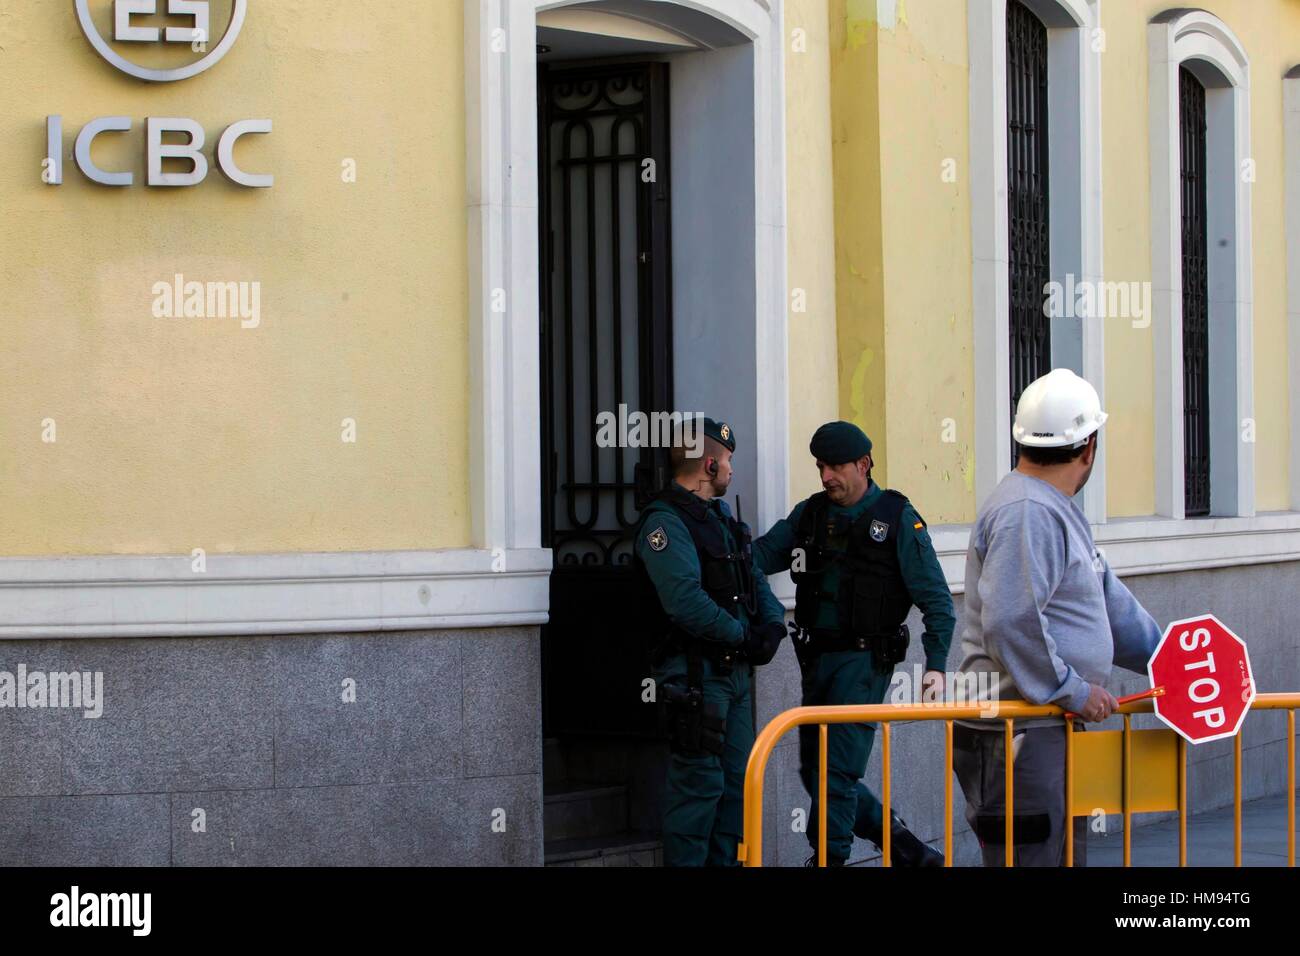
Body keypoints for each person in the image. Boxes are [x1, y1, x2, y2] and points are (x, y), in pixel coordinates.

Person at [953, 368, 1162, 866]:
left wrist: (1179, 664)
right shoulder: (1029, 510)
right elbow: (1010, 621)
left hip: (1042, 724)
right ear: (1089, 446)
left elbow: (1109, 607)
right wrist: (1073, 689)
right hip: (1020, 728)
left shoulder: (1051, 507)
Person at [755, 421, 953, 866]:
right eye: (821, 466)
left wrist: (936, 663)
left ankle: (829, 859)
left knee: (835, 773)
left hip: (864, 663)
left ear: (863, 464)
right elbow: (759, 557)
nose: (826, 476)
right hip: (815, 662)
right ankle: (906, 848)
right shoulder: (810, 514)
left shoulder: (897, 517)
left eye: (836, 466)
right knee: (814, 772)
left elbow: (938, 601)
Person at [634, 417, 787, 866]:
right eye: (727, 461)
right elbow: (684, 600)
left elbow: (753, 575)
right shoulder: (663, 524)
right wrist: (743, 636)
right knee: (699, 788)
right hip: (696, 677)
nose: (732, 471)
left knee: (737, 786)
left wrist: (774, 626)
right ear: (708, 464)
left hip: (733, 675)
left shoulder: (720, 518)